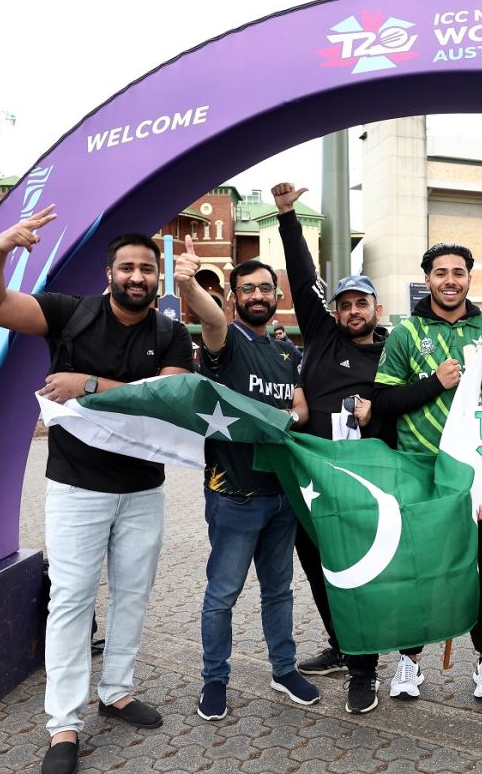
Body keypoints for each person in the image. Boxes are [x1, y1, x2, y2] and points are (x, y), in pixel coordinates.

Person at [0, 205, 195, 774]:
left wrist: (87, 384)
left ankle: (116, 691)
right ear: (109, 273)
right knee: (70, 602)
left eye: (147, 269)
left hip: (144, 488)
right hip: (76, 486)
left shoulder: (171, 333)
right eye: (127, 267)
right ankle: (63, 725)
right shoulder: (69, 313)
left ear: (157, 279)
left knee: (133, 594)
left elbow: (164, 401)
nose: (138, 276)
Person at [174, 237, 320, 722]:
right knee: (222, 595)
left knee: (279, 590)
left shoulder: (285, 352)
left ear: (277, 295)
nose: (258, 295)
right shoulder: (227, 340)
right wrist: (187, 284)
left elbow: (299, 407)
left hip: (281, 498)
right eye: (247, 289)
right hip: (234, 498)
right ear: (234, 297)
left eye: (266, 288)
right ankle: (215, 679)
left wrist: (285, 420)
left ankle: (284, 668)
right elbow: (209, 319)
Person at [264, 182, 394, 714]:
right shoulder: (320, 336)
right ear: (335, 310)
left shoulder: (394, 352)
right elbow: (300, 274)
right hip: (313, 479)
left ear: (376, 307)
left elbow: (410, 406)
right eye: (345, 304)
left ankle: (365, 668)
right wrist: (288, 216)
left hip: (363, 484)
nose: (353, 311)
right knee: (318, 569)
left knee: (355, 572)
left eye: (361, 302)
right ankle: (342, 647)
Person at [371, 242, 482, 701]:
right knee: (419, 568)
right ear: (427, 279)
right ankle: (409, 662)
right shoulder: (406, 333)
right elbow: (383, 403)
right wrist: (435, 383)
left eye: (458, 272)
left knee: (480, 569)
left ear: (470, 277)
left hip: (475, 474)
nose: (450, 280)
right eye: (440, 273)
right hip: (421, 472)